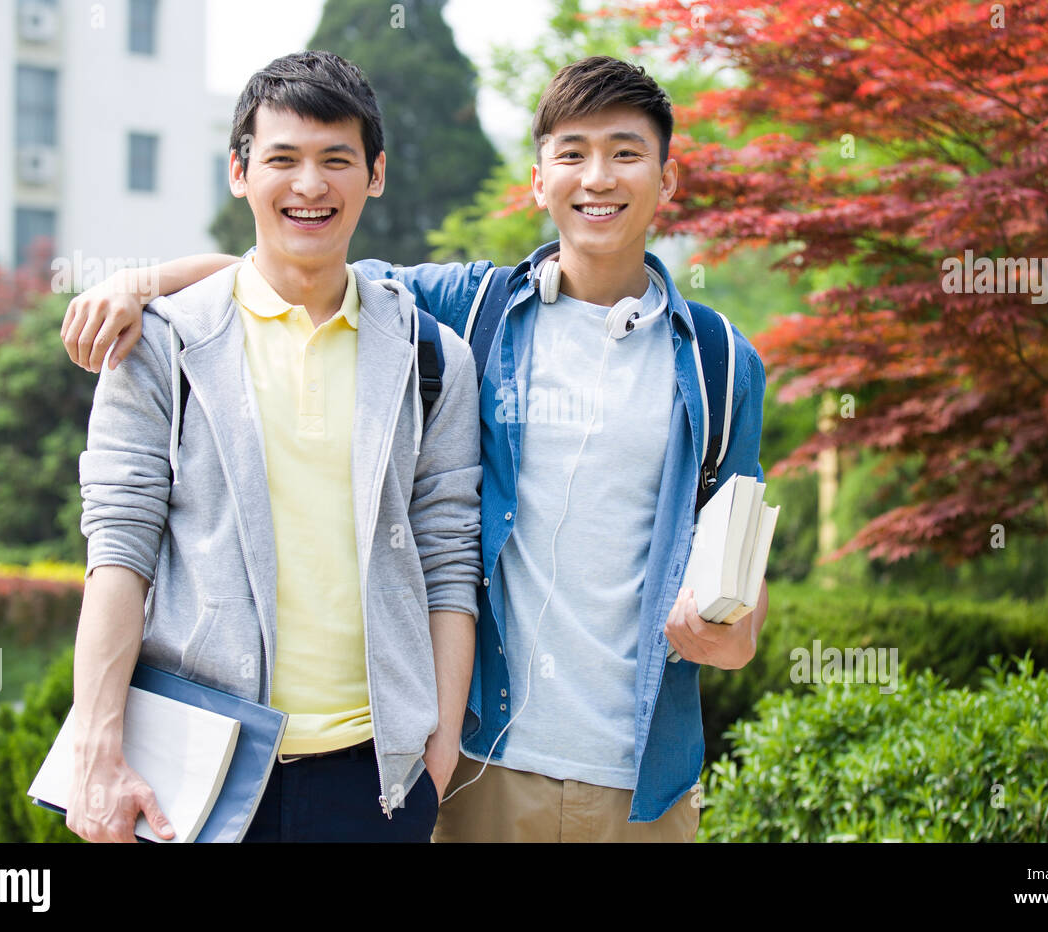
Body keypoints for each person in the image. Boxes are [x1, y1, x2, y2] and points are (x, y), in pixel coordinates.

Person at [63, 56, 768, 842]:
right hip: (483, 765)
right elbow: (293, 266)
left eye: (626, 153)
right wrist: (142, 284)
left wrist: (733, 635)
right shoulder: (472, 315)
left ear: (667, 180)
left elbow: (738, 562)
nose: (597, 177)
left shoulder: (719, 363)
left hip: (644, 780)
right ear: (538, 181)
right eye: (571, 154)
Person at [66, 50, 482, 843]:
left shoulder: (433, 360)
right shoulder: (157, 347)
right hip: (191, 772)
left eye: (337, 160)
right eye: (282, 159)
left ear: (377, 174)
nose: (310, 186)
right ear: (239, 171)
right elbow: (118, 551)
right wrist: (97, 743)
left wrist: (437, 753)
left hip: (376, 783)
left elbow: (449, 561)